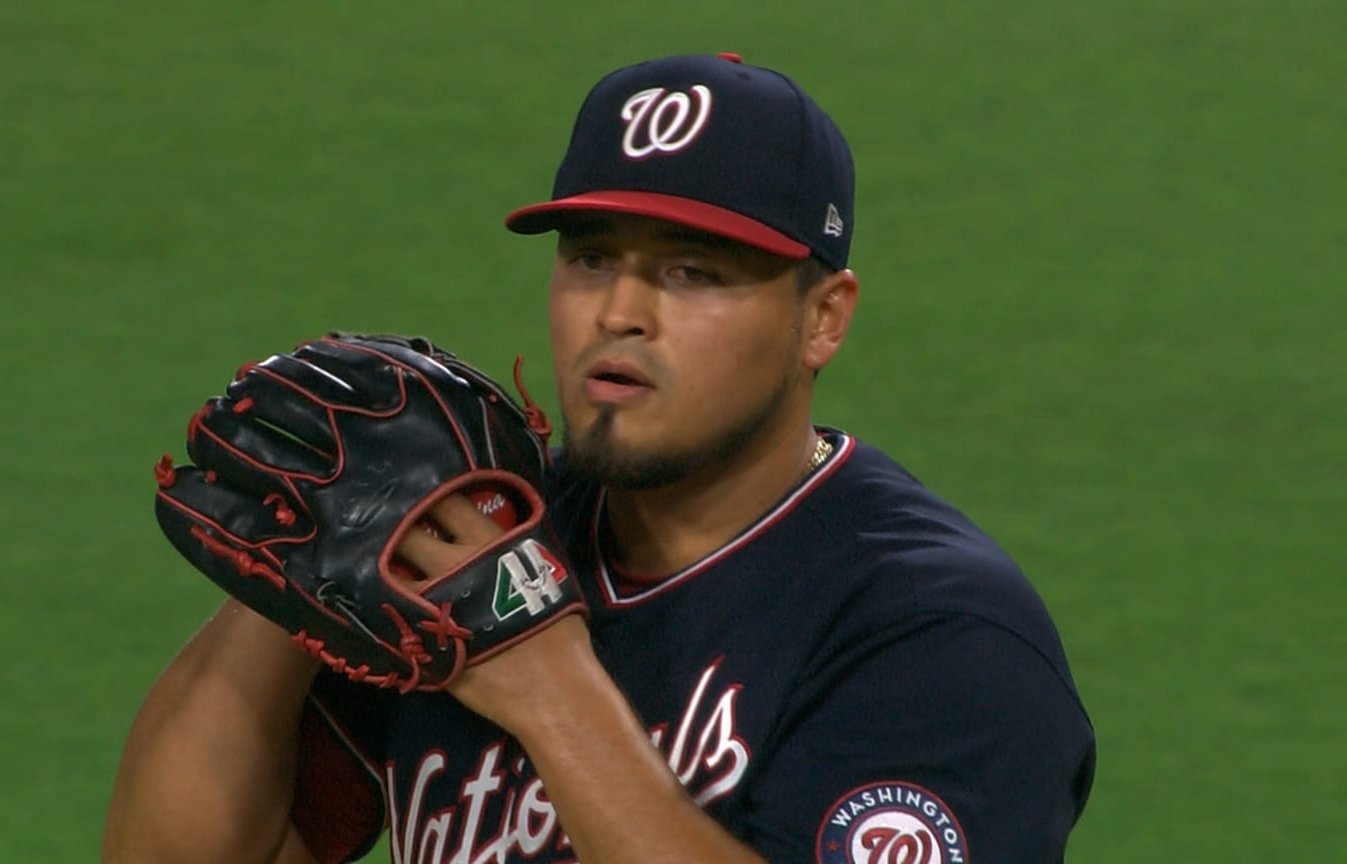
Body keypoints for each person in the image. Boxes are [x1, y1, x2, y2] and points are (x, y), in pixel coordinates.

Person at [104, 52, 1095, 863]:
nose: (621, 312)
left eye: (692, 272)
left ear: (822, 321)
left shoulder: (933, 636)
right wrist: (310, 550)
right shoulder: (474, 531)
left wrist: (544, 682)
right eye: (591, 258)